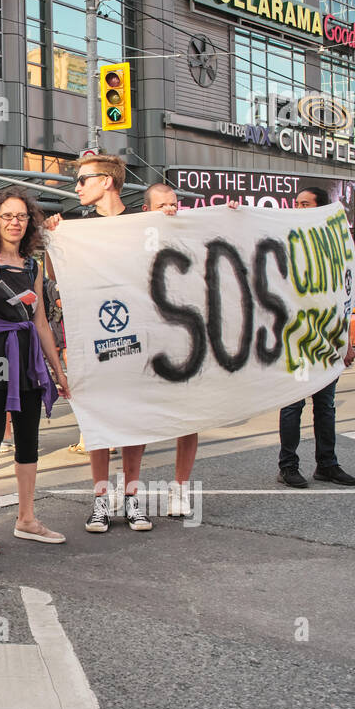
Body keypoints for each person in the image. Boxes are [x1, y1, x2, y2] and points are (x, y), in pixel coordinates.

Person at [0, 186, 69, 554]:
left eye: (21, 216)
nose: (15, 222)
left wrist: (58, 370)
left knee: (28, 441)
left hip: (27, 362)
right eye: (7, 215)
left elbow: (40, 322)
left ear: (29, 221)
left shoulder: (33, 265)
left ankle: (26, 519)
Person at [72, 153, 153, 532]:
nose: (77, 188)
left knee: (134, 422)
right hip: (97, 340)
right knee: (100, 425)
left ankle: (133, 498)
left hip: (139, 338)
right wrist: (56, 234)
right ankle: (101, 501)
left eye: (84, 179)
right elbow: (58, 280)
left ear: (107, 181)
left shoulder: (142, 223)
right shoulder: (76, 229)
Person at [277, 187, 355, 488]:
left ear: (321, 208)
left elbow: (345, 297)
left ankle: (327, 464)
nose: (298, 207)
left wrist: (347, 341)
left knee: (325, 406)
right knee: (292, 405)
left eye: (305, 204)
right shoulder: (287, 238)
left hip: (327, 340)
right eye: (296, 203)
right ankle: (288, 466)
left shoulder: (335, 247)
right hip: (296, 342)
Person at [139, 182, 201, 518]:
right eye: (163, 205)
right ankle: (130, 486)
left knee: (188, 419)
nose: (171, 209)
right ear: (147, 209)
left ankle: (180, 487)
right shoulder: (130, 240)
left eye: (174, 204)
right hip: (146, 341)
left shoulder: (190, 235)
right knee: (136, 420)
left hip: (185, 342)